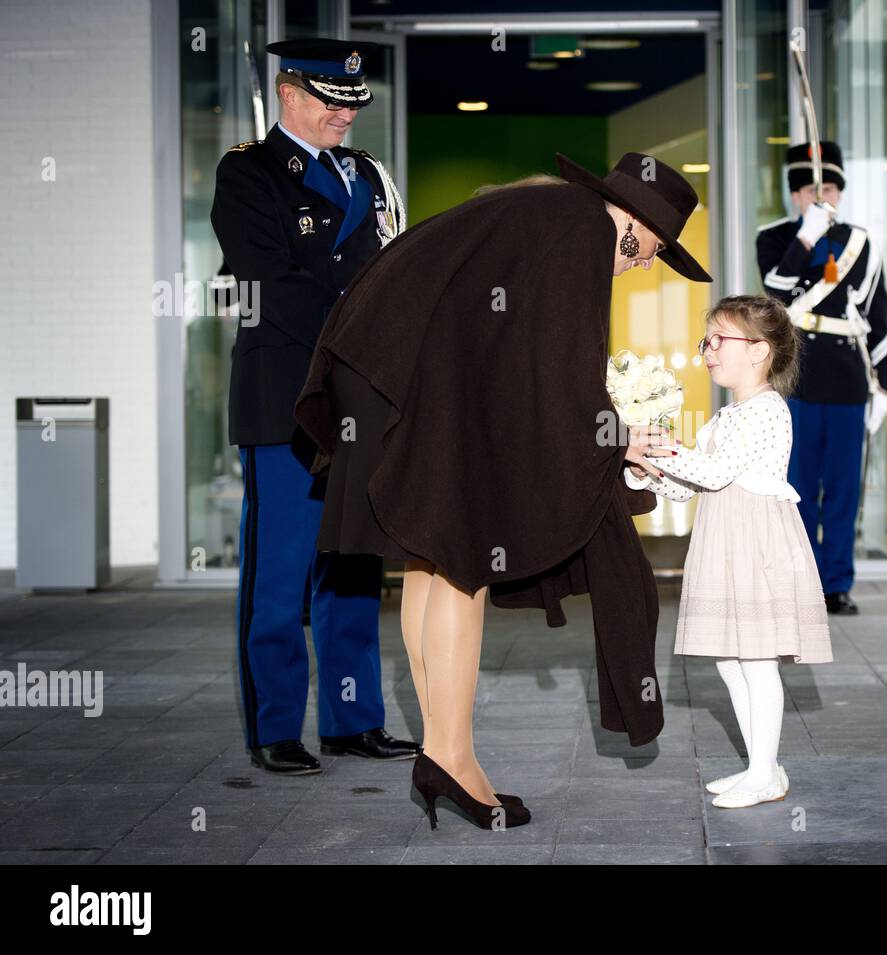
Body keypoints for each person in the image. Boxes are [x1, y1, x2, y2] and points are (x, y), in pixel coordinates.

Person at [294, 153, 712, 830]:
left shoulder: (553, 214)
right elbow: (562, 359)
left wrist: (601, 428)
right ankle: (450, 757)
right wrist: (614, 434)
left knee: (431, 561)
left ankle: (440, 750)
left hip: (380, 371)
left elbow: (523, 350)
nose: (644, 265)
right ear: (633, 220)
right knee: (464, 559)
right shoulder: (586, 230)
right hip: (397, 375)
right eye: (655, 250)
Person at [210, 38, 415, 775]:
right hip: (286, 400)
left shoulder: (367, 175)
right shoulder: (248, 171)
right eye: (331, 102)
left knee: (352, 566)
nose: (344, 116)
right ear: (289, 93)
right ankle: (275, 729)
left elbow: (391, 268)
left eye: (353, 104)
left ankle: (352, 720)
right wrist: (361, 324)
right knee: (280, 573)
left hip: (359, 399)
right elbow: (268, 282)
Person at [626, 295, 831, 809]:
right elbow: (692, 485)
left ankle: (764, 772)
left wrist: (663, 447)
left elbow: (714, 472)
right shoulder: (726, 417)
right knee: (730, 661)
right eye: (707, 341)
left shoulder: (766, 410)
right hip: (726, 542)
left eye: (720, 340)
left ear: (760, 351)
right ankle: (761, 767)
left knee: (757, 661)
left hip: (756, 546)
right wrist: (645, 468)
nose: (709, 351)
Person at [757, 141, 887, 616]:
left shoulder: (860, 243)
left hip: (846, 379)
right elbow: (774, 292)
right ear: (795, 195)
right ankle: (802, 581)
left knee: (842, 490)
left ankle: (836, 583)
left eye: (829, 189)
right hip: (795, 378)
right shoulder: (773, 239)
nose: (821, 198)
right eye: (811, 190)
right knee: (795, 487)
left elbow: (877, 315)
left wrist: (886, 386)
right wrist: (805, 240)